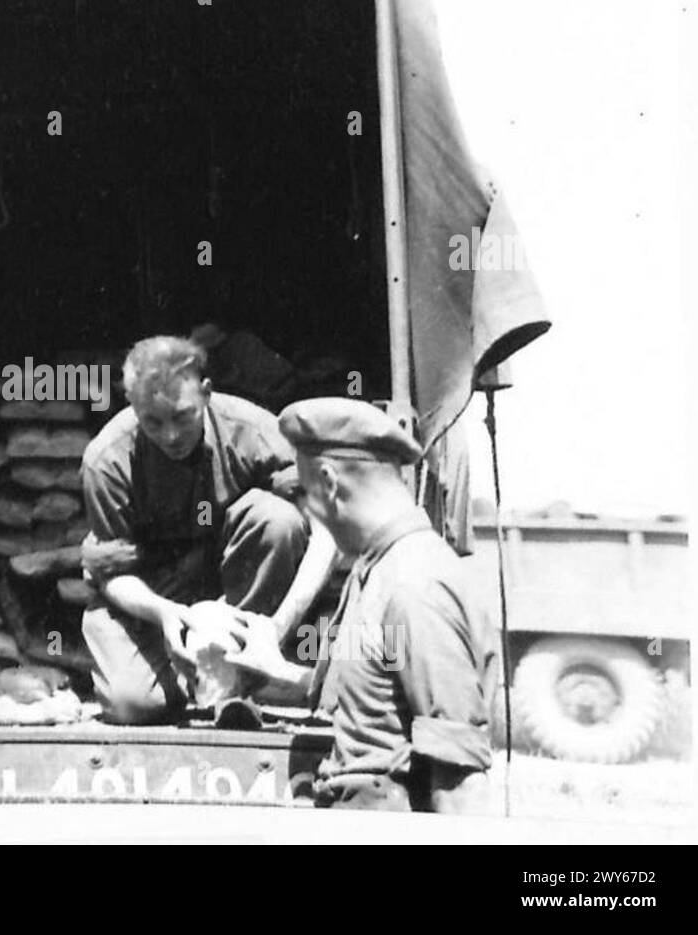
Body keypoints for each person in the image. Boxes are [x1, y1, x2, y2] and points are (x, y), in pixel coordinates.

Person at [226, 398, 497, 813]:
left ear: (329, 482)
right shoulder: (375, 571)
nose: (305, 511)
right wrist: (278, 669)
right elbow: (377, 701)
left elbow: (460, 786)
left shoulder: (414, 586)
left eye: (304, 493)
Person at [79, 335, 334, 725]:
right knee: (134, 704)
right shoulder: (106, 459)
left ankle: (235, 672)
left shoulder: (253, 430)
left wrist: (278, 627)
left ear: (207, 393)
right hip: (151, 590)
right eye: (153, 421)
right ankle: (201, 674)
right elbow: (112, 574)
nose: (171, 436)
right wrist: (167, 615)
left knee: (277, 518)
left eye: (182, 416)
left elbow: (327, 533)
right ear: (132, 405)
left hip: (227, 577)